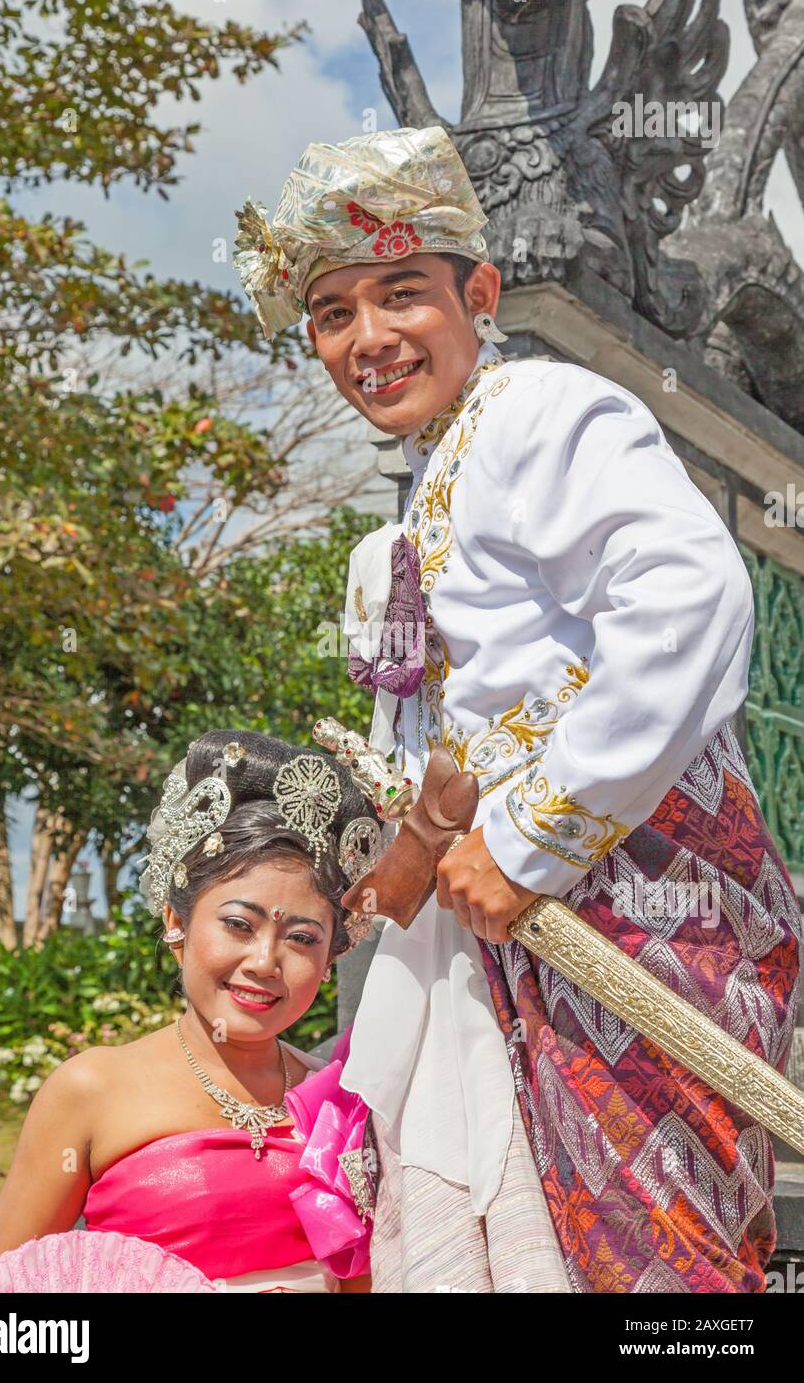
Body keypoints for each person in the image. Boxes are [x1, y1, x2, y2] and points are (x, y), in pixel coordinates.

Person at [233, 124, 802, 1293]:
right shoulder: (426, 480)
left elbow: (686, 596)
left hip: (637, 912)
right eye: (333, 314)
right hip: (504, 937)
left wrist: (529, 837)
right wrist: (419, 848)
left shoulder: (534, 410)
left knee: (656, 1269)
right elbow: (473, 732)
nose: (369, 339)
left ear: (478, 292)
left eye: (401, 294)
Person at [0, 730, 379, 1294]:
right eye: (239, 924)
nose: (264, 961)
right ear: (175, 921)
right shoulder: (91, 1089)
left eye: (302, 937)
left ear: (333, 956)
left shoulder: (341, 1102)